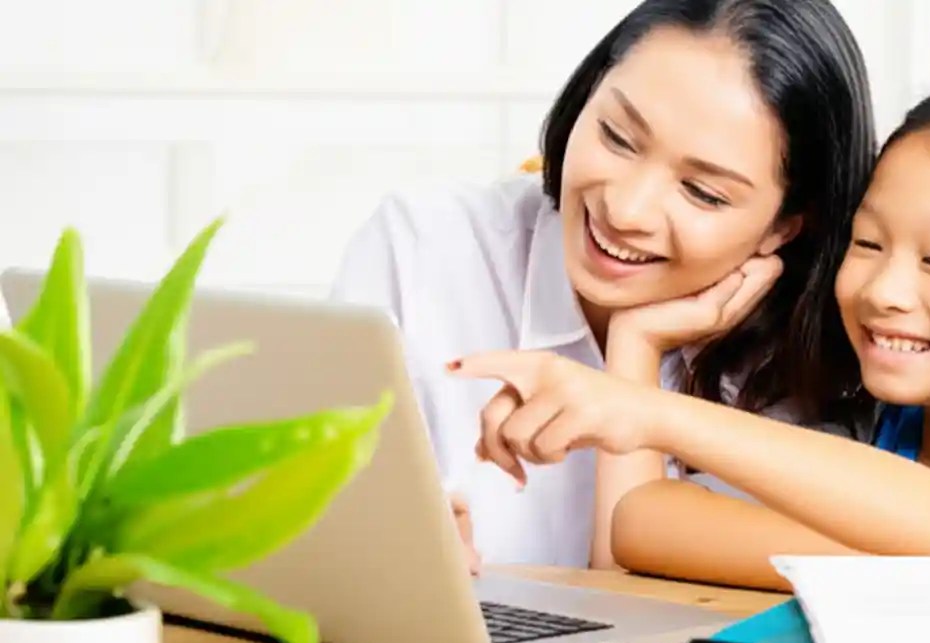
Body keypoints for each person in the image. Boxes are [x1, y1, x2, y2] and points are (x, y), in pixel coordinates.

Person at [451, 84, 930, 590]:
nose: (881, 290)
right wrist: (639, 344)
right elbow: (640, 528)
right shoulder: (854, 433)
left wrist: (649, 413)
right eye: (867, 244)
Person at [330, 0, 878, 570]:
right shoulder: (424, 248)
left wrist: (635, 348)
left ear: (785, 227)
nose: (625, 210)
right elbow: (311, 525)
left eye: (703, 193)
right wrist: (383, 552)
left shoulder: (802, 373)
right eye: (617, 137)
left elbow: (639, 594)